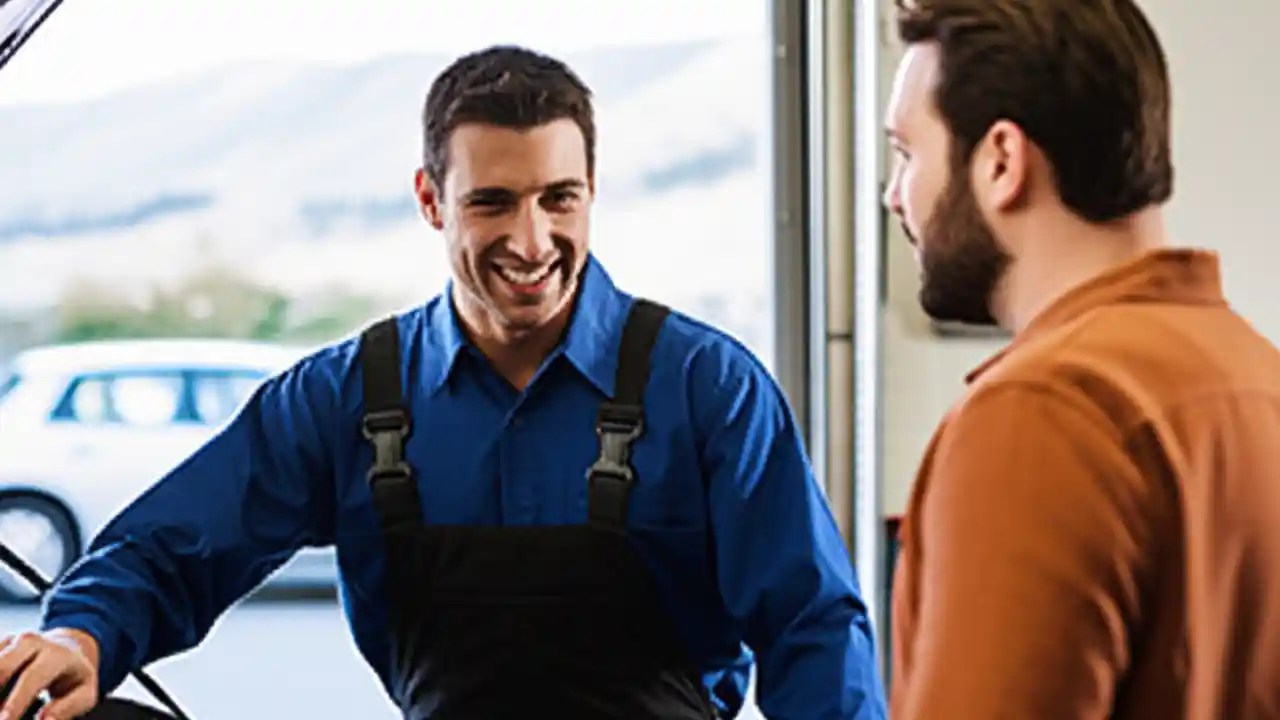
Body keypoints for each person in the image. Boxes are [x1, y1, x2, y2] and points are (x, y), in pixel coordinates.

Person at [0, 45, 887, 720]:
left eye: (559, 198)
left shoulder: (707, 389)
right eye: (492, 202)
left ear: (591, 190)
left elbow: (813, 626)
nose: (532, 241)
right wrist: (83, 633)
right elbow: (170, 547)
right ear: (431, 199)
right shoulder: (350, 397)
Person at [882, 0, 1280, 718]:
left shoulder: (1043, 414)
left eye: (908, 155)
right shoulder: (1255, 377)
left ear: (1002, 160)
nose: (893, 196)